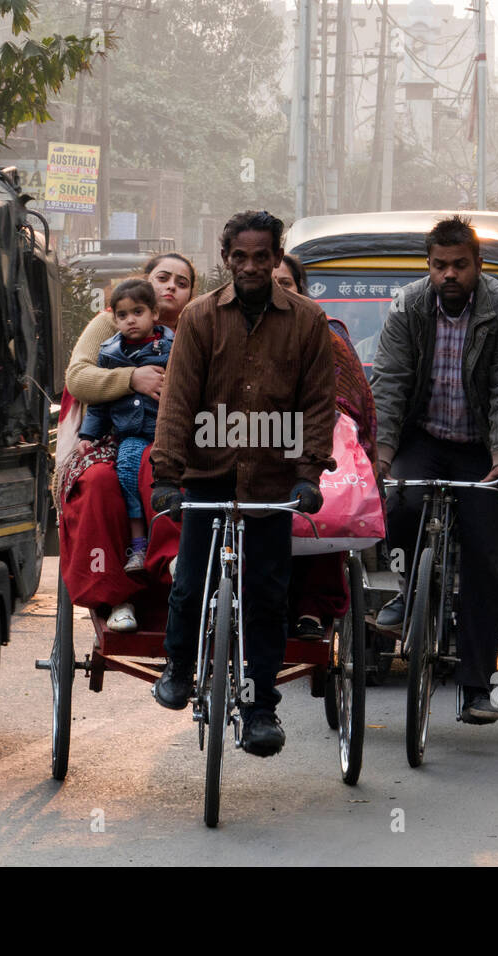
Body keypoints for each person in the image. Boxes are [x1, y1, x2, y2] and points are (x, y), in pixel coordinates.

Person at [150, 211, 335, 757]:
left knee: (266, 596)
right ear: (226, 260)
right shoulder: (202, 318)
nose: (251, 267)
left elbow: (319, 404)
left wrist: (309, 473)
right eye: (240, 257)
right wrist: (166, 475)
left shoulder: (307, 320)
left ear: (277, 257)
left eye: (262, 257)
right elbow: (179, 401)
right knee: (189, 586)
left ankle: (259, 710)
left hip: (273, 483)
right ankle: (179, 669)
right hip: (207, 475)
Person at [370, 215, 498, 724]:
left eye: (459, 265)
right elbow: (391, 383)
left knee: (486, 556)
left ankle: (477, 686)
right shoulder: (408, 305)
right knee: (398, 504)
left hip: (481, 445)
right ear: (429, 266)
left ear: (477, 265)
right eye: (440, 265)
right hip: (423, 436)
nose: (449, 275)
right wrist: (378, 457)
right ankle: (410, 591)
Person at [56, 253, 197, 617]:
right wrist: (131, 379)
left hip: (177, 439)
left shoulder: (195, 328)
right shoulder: (111, 324)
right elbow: (78, 378)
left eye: (182, 284)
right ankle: (115, 594)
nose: (171, 287)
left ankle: (180, 566)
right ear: (146, 281)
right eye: (163, 277)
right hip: (109, 438)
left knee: (173, 475)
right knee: (100, 483)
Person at [272, 256, 379, 639]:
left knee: (320, 502)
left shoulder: (327, 334)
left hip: (316, 440)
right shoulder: (234, 332)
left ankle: (313, 610)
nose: (277, 291)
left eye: (285, 283)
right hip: (250, 441)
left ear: (301, 290)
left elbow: (352, 399)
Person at [75, 279, 175, 629]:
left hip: (169, 431)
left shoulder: (174, 344)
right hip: (130, 434)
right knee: (128, 469)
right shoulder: (109, 350)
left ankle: (175, 553)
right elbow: (94, 399)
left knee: (172, 473)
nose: (130, 320)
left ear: (154, 313)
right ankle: (138, 544)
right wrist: (89, 434)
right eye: (122, 314)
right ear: (112, 317)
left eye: (138, 312)